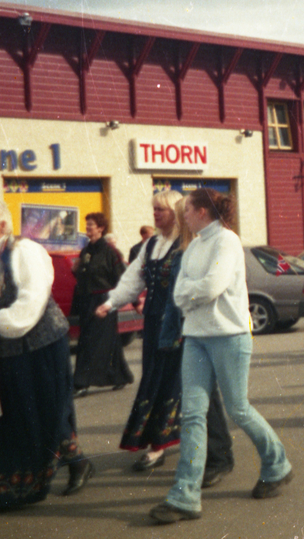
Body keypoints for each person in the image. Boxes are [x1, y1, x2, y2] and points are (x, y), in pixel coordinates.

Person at [149, 188, 292, 524]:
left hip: (230, 337)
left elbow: (212, 286)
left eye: (187, 210)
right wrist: (192, 292)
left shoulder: (227, 241)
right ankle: (185, 496)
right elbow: (178, 292)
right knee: (192, 415)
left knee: (238, 409)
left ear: (202, 211)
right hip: (196, 338)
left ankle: (277, 465)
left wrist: (191, 292)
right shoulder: (193, 246)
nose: (183, 216)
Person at [0, 200, 94, 505]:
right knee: (14, 416)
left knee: (47, 409)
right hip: (4, 348)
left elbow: (33, 298)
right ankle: (10, 484)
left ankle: (76, 463)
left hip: (39, 343)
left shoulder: (24, 251)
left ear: (2, 225)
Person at [97, 191, 234, 483]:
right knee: (156, 382)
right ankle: (158, 445)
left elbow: (208, 285)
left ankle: (219, 457)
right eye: (155, 209)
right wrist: (111, 303)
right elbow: (133, 280)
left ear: (177, 212)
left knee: (197, 389)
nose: (156, 214)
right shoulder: (151, 245)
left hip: (185, 325)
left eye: (162, 209)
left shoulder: (192, 244)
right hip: (154, 325)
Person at [72, 213, 132, 396]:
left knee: (91, 342)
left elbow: (122, 278)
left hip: (104, 301)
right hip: (87, 301)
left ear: (101, 228)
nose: (88, 227)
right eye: (87, 224)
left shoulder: (111, 252)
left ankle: (81, 383)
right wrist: (75, 270)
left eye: (91, 224)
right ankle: (120, 376)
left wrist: (133, 300)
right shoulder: (86, 251)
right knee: (108, 341)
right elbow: (84, 276)